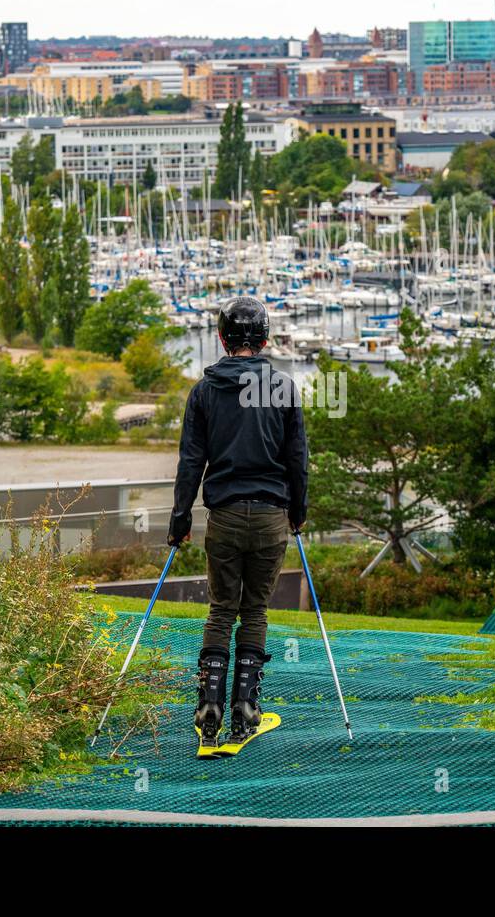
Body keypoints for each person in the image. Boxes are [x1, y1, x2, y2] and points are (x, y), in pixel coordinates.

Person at [169, 296, 308, 749]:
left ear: (222, 339)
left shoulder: (204, 392)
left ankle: (208, 704)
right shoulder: (284, 388)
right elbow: (297, 461)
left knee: (221, 609)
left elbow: (191, 461)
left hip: (225, 517)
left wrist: (180, 516)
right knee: (254, 611)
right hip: (270, 517)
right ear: (265, 340)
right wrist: (298, 511)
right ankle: (245, 708)